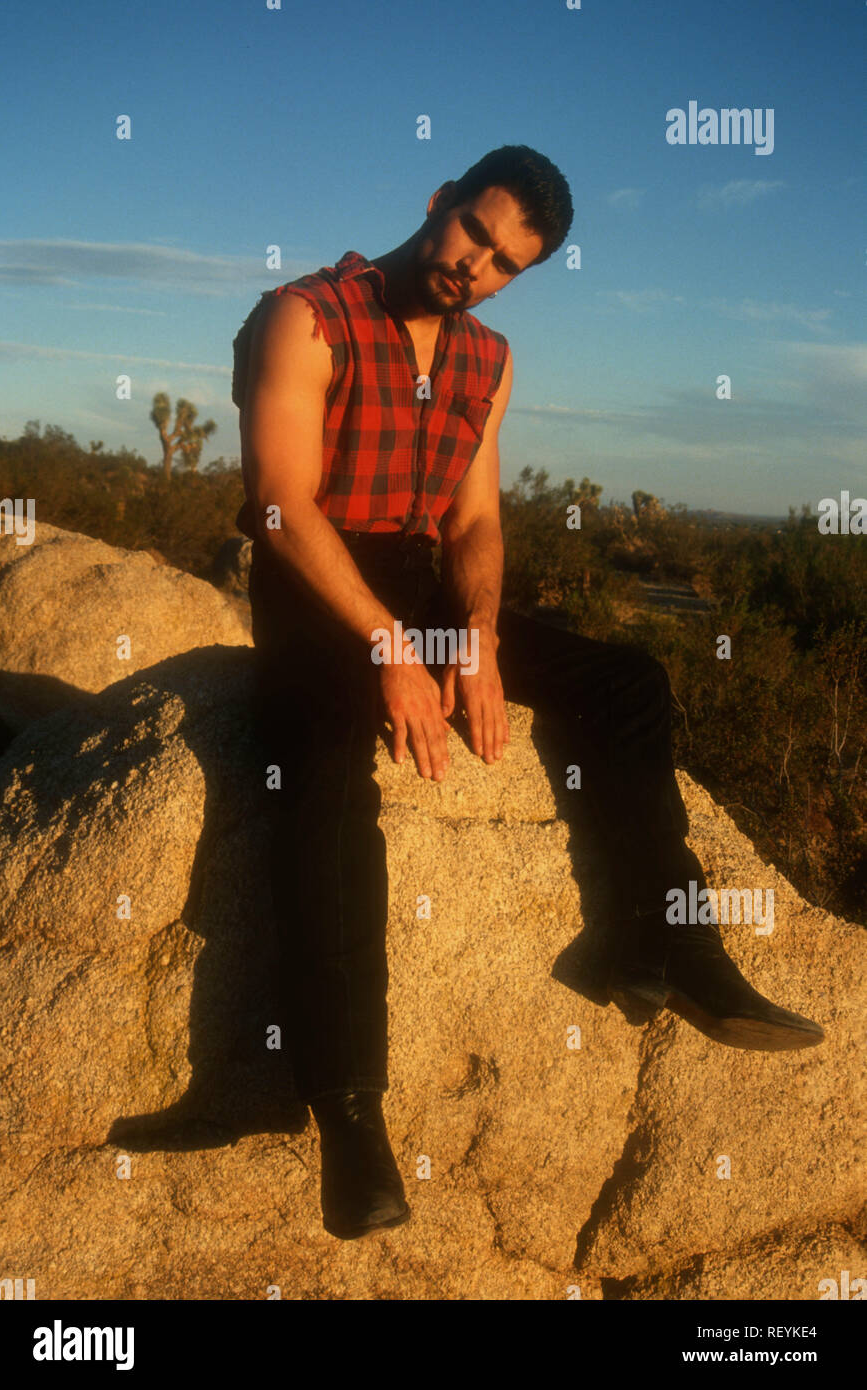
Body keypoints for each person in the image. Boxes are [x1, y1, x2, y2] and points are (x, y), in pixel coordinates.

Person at [231, 146, 824, 1241]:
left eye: (505, 265)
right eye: (472, 236)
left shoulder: (486, 360)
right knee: (318, 772)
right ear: (438, 204)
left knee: (628, 679)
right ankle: (347, 1105)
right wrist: (386, 650)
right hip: (314, 584)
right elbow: (277, 505)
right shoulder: (304, 317)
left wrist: (477, 633)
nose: (475, 270)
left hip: (415, 577)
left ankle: (665, 946)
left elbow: (472, 522)